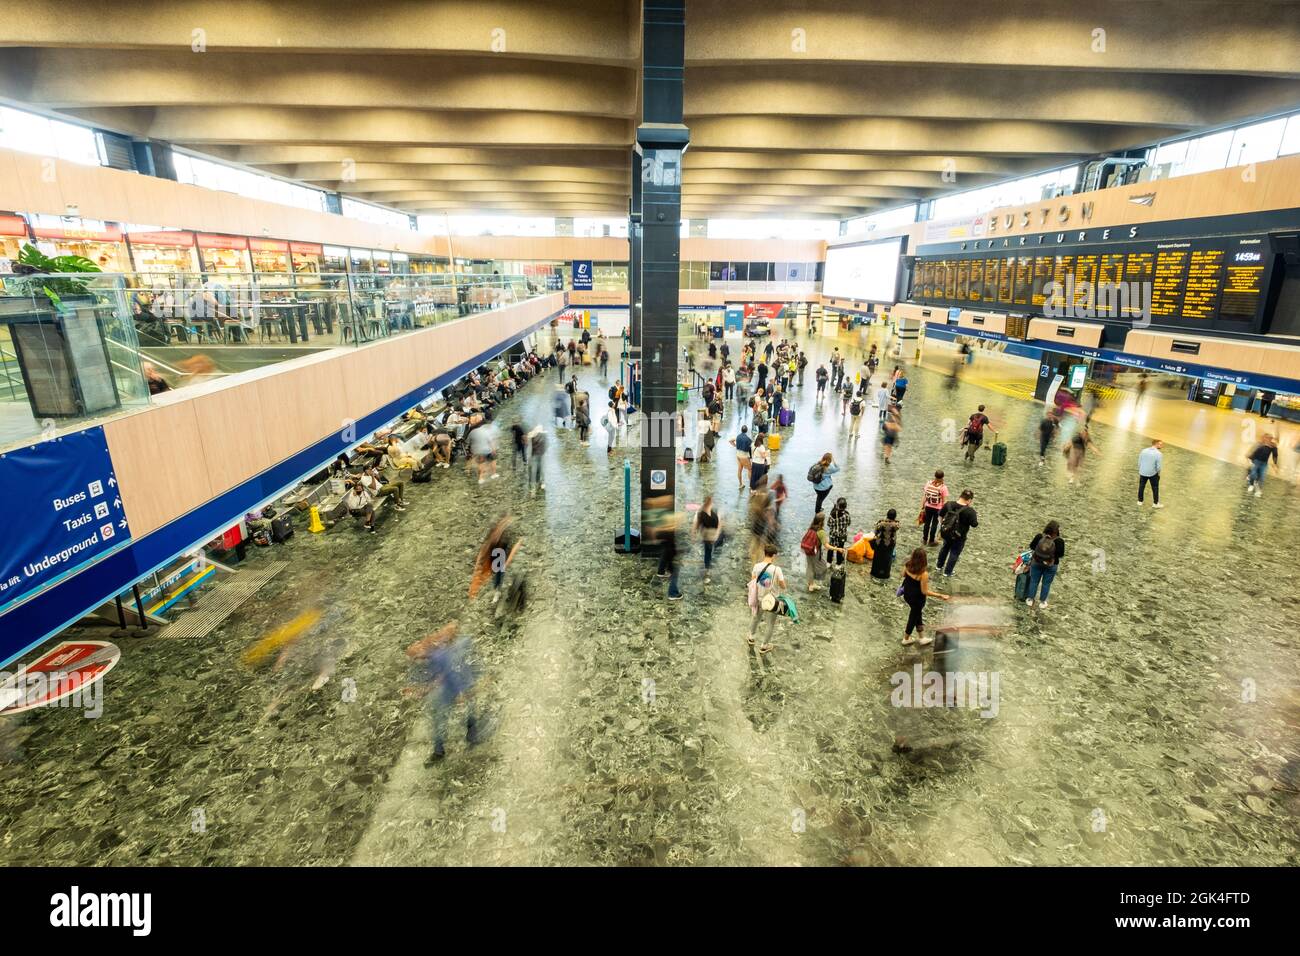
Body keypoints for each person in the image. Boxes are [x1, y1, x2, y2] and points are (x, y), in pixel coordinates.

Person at [407, 622, 479, 764]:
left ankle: (470, 736)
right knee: (440, 720)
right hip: (449, 688)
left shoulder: (442, 653)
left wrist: (460, 692)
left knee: (465, 711)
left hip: (457, 685)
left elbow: (451, 673)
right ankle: (440, 750)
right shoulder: (436, 653)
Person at [900, 548, 950, 647]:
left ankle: (921, 637)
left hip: (907, 595)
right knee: (913, 617)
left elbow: (902, 575)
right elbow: (924, 591)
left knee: (917, 615)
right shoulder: (923, 574)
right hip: (917, 599)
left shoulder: (908, 564)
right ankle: (906, 639)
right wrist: (940, 595)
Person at [748, 543, 786, 655]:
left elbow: (753, 580)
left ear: (765, 553)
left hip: (759, 597)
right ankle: (764, 646)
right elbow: (783, 585)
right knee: (770, 624)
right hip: (772, 601)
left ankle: (751, 636)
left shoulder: (756, 566)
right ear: (773, 556)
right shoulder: (777, 569)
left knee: (756, 617)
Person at [475, 515, 521, 604]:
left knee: (499, 572)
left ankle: (499, 590)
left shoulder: (506, 535)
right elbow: (485, 546)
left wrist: (507, 561)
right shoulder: (492, 533)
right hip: (495, 552)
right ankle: (498, 589)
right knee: (495, 571)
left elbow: (514, 546)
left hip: (502, 552)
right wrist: (480, 559)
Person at [936, 489, 978, 578]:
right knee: (954, 553)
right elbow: (974, 524)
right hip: (959, 536)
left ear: (960, 496)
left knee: (944, 548)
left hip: (946, 533)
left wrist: (943, 527)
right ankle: (947, 572)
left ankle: (939, 566)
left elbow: (940, 516)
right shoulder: (970, 511)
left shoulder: (948, 504)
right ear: (970, 500)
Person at [1026, 520, 1065, 610]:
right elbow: (1061, 554)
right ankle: (1042, 602)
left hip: (1036, 562)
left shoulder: (1039, 536)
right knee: (1046, 583)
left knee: (1034, 581)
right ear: (1057, 530)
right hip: (1051, 565)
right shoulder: (1059, 541)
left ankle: (1030, 599)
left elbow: (1032, 546)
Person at [693, 495, 722, 585]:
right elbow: (696, 525)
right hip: (708, 537)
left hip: (713, 536)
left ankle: (707, 567)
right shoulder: (701, 513)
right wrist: (694, 535)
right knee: (708, 552)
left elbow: (719, 523)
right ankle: (707, 569)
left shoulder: (713, 510)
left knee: (711, 551)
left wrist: (717, 534)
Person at [801, 511, 829, 592]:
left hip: (808, 550)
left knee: (810, 566)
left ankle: (811, 584)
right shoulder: (821, 532)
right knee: (823, 566)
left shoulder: (811, 527)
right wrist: (837, 549)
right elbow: (826, 546)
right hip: (815, 552)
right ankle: (813, 582)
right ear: (821, 522)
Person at [920, 469, 948, 546]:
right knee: (934, 524)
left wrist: (922, 506)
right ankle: (931, 541)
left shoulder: (928, 483)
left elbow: (925, 495)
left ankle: (924, 539)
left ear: (935, 476)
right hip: (938, 509)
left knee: (927, 523)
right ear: (942, 477)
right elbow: (944, 501)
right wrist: (944, 511)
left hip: (928, 506)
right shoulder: (943, 487)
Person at [871, 508, 900, 580]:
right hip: (890, 544)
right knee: (887, 558)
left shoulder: (881, 523)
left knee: (877, 558)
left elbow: (875, 531)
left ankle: (875, 573)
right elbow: (897, 526)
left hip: (880, 543)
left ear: (887, 515)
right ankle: (885, 574)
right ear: (895, 516)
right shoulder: (896, 524)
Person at [1137, 438, 1164, 508]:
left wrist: (1141, 469)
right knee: (1155, 488)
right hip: (1152, 473)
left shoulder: (1144, 450)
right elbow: (1158, 466)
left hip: (1143, 472)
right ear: (1156, 444)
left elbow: (1139, 461)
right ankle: (1155, 503)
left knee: (1141, 486)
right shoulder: (1159, 454)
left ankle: (1140, 501)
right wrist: (1158, 473)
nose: (1162, 446)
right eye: (1160, 444)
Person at [826, 497, 851, 572]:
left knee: (831, 548)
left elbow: (828, 524)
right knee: (840, 549)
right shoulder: (847, 514)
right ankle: (838, 564)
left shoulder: (832, 514)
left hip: (833, 535)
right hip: (842, 536)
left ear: (837, 505)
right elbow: (848, 523)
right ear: (845, 506)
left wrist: (833, 510)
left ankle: (829, 563)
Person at [731, 424, 753, 489]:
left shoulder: (738, 436)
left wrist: (735, 446)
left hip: (738, 455)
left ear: (741, 430)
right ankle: (751, 486)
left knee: (740, 470)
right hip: (744, 456)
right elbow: (752, 448)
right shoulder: (748, 439)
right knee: (750, 469)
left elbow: (730, 441)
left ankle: (740, 484)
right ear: (746, 431)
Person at [527, 426, 547, 495]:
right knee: (536, 471)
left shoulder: (534, 437)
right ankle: (537, 486)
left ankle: (536, 487)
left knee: (537, 471)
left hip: (538, 455)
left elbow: (530, 448)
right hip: (537, 455)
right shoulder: (536, 436)